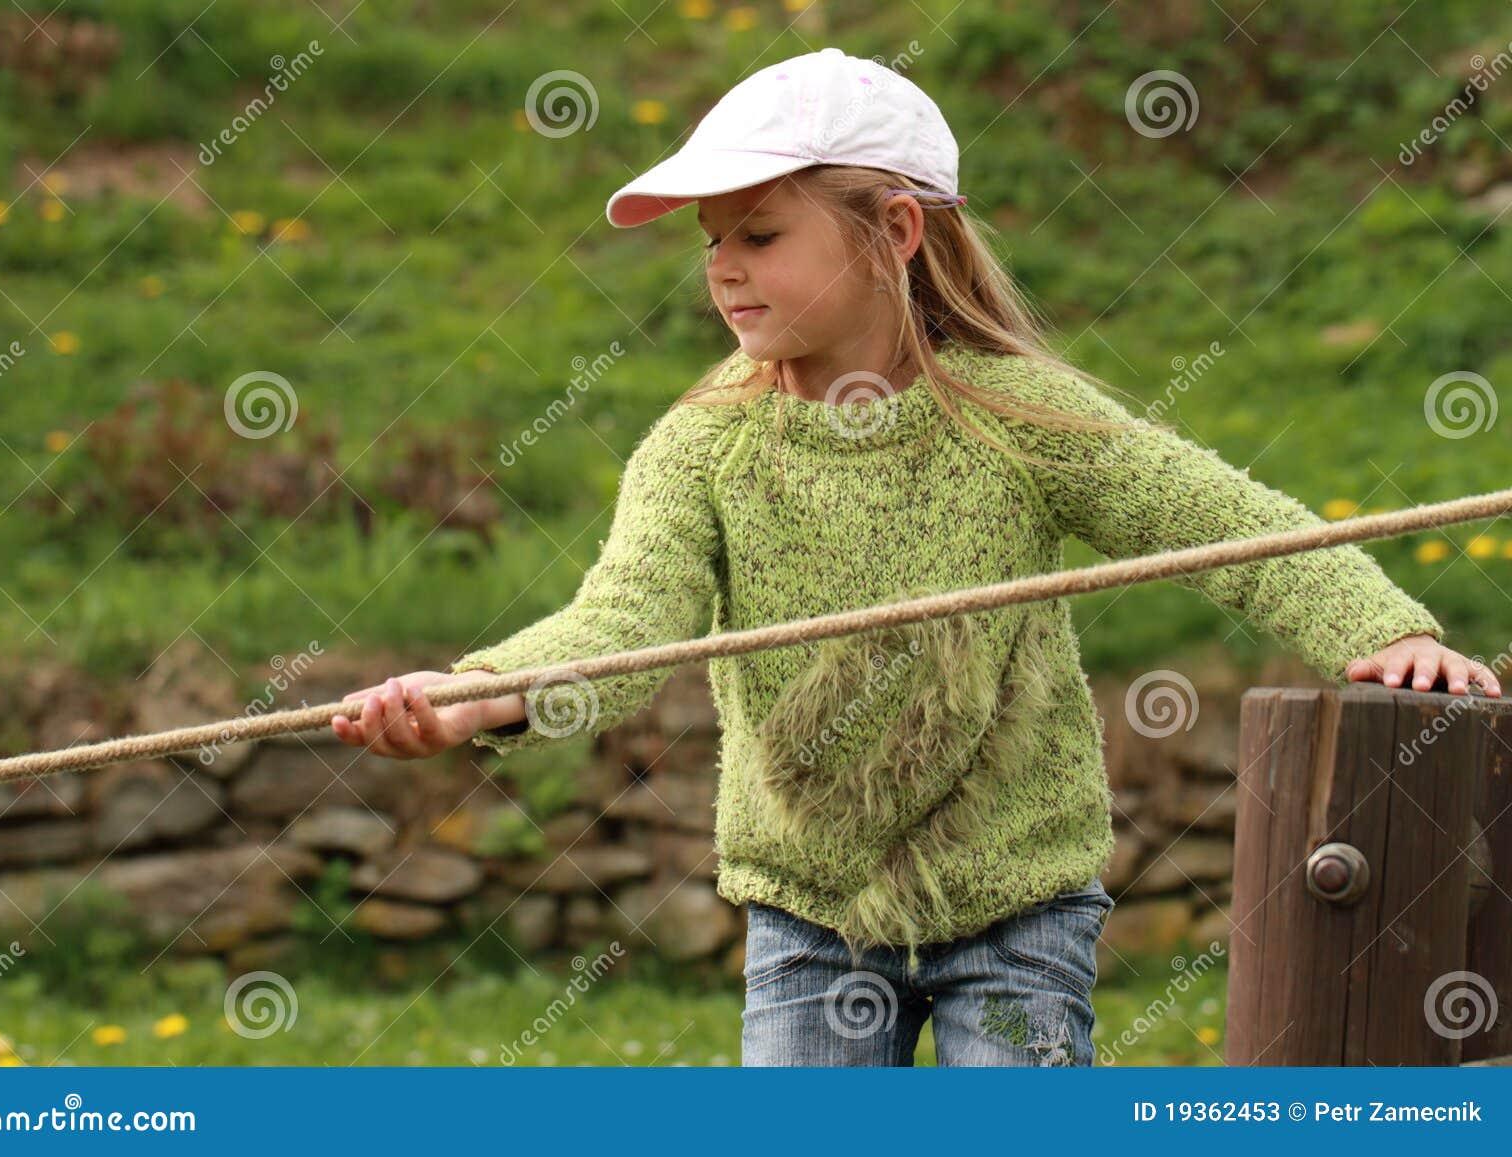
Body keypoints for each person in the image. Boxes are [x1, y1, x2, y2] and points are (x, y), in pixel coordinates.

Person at [331, 47, 1501, 1066]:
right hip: (807, 910)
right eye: (711, 243)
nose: (723, 268)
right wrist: (477, 697)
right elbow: (624, 628)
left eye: (760, 233)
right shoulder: (701, 450)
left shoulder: (1019, 419)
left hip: (1019, 901)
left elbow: (1220, 521)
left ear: (892, 231)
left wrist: (1378, 624)